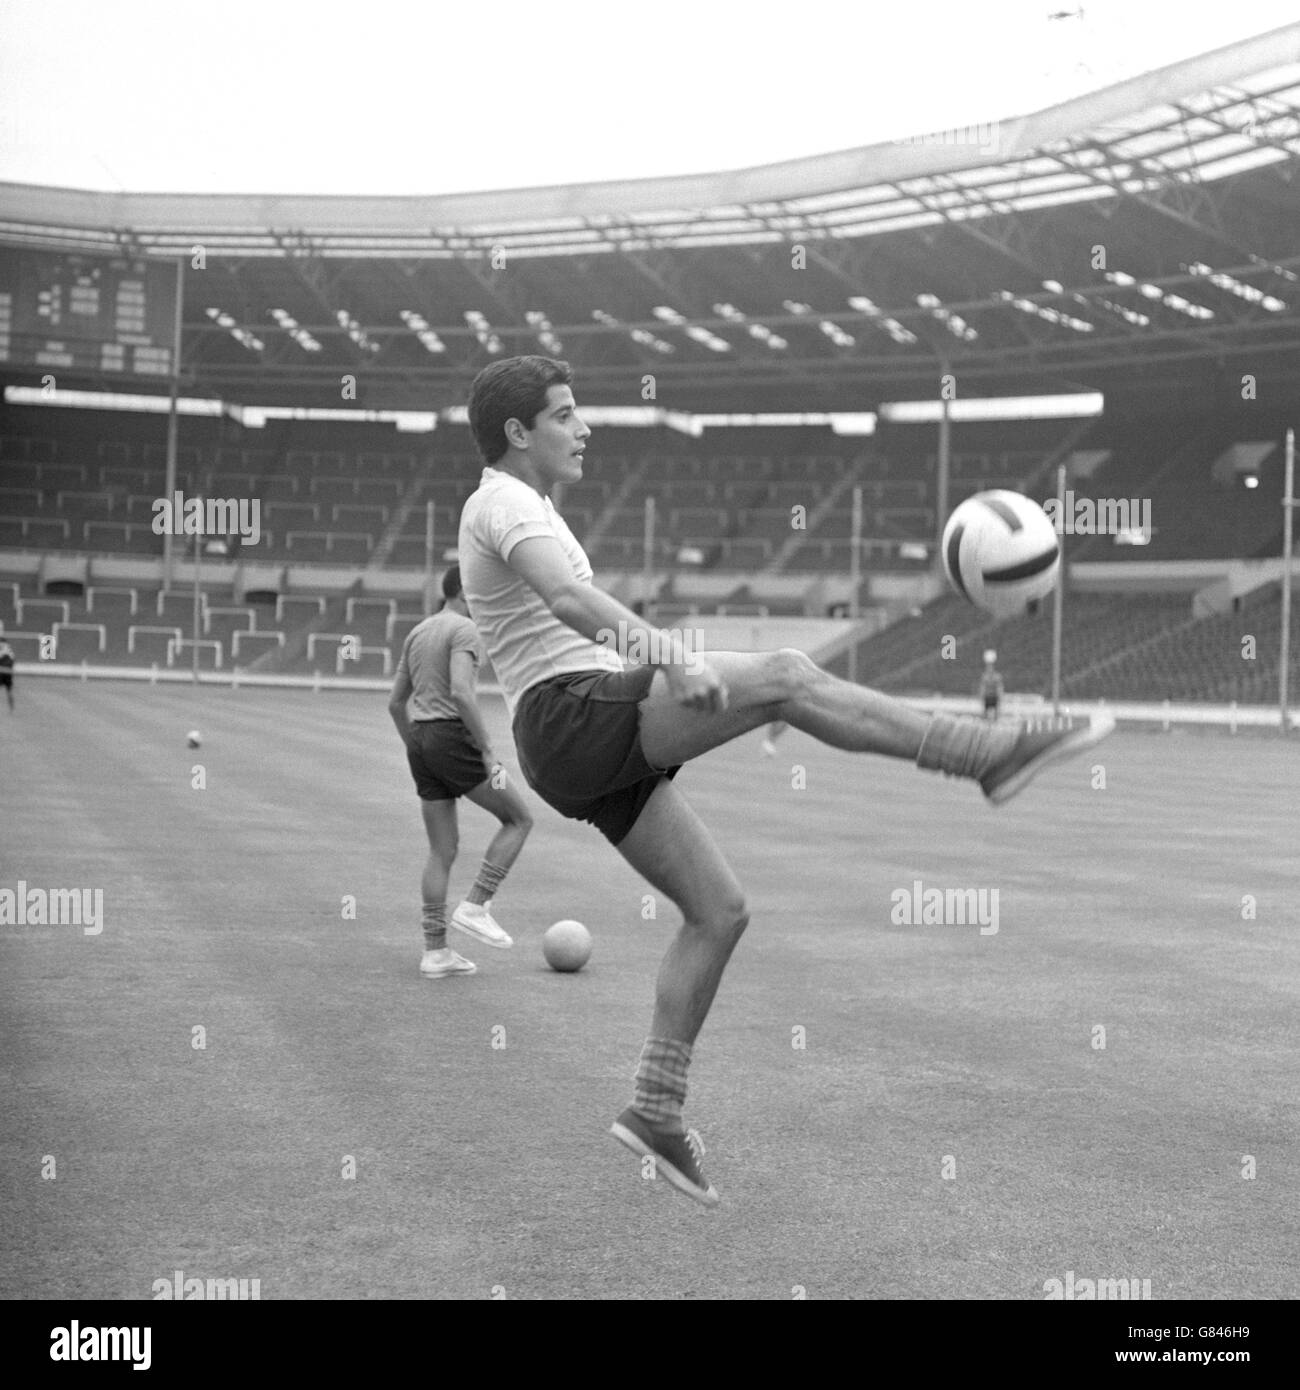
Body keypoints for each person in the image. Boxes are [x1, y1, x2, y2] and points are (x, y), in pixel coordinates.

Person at [458, 355, 1114, 1205]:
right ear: (519, 432)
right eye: (567, 414)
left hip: (570, 741)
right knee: (788, 676)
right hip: (570, 712)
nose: (585, 429)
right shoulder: (504, 500)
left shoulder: (527, 504)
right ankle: (981, 752)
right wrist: (670, 655)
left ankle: (655, 1109)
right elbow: (568, 603)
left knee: (719, 911)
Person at [388, 565, 534, 979]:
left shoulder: (419, 631)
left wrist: (416, 745)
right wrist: (487, 749)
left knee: (442, 850)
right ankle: (476, 905)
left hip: (421, 739)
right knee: (519, 819)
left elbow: (396, 704)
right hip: (453, 737)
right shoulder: (466, 630)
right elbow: (461, 692)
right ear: (467, 594)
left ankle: (435, 953)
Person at [979, 650, 1004, 721]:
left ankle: (994, 722)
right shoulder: (984, 676)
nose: (989, 668)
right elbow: (982, 688)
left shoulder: (997, 676)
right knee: (985, 715)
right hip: (987, 697)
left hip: (994, 697)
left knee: (995, 716)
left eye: (990, 666)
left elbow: (999, 688)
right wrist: (981, 697)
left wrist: (1000, 697)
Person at [0, 639, 14, 711]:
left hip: (2, 674)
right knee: (9, 691)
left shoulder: (4, 651)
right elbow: (12, 661)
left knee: (9, 692)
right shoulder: (10, 651)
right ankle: (11, 708)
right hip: (8, 673)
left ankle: (11, 708)